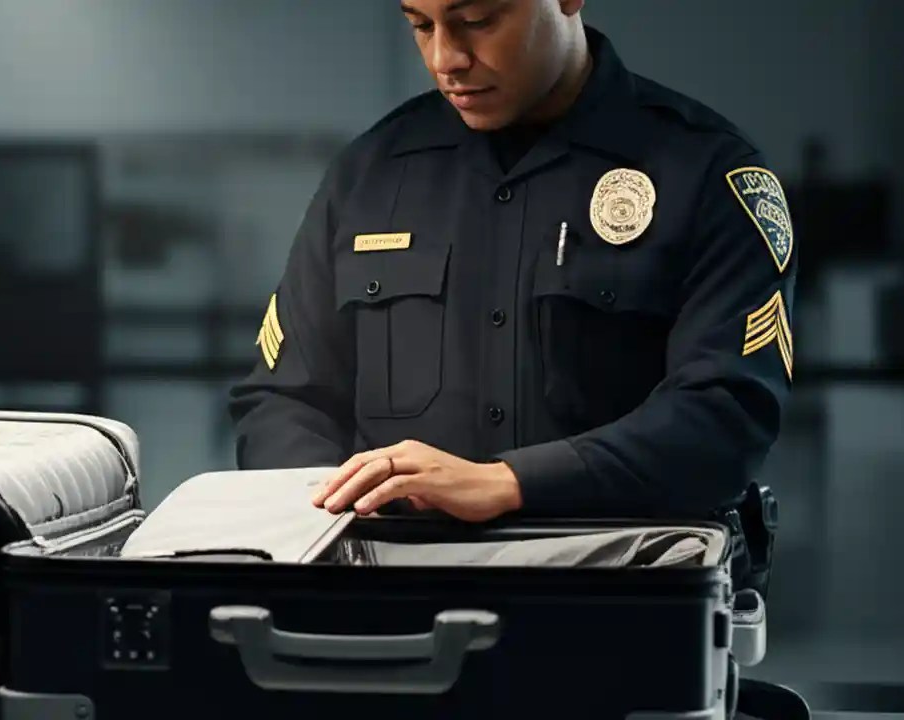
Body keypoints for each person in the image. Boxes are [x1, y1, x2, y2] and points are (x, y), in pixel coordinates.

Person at [227, 0, 797, 525]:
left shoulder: (706, 174)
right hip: (394, 600)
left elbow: (725, 416)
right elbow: (283, 399)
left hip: (618, 601)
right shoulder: (371, 176)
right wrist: (336, 505)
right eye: (421, 26)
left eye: (476, 20)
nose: (445, 59)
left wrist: (512, 483)